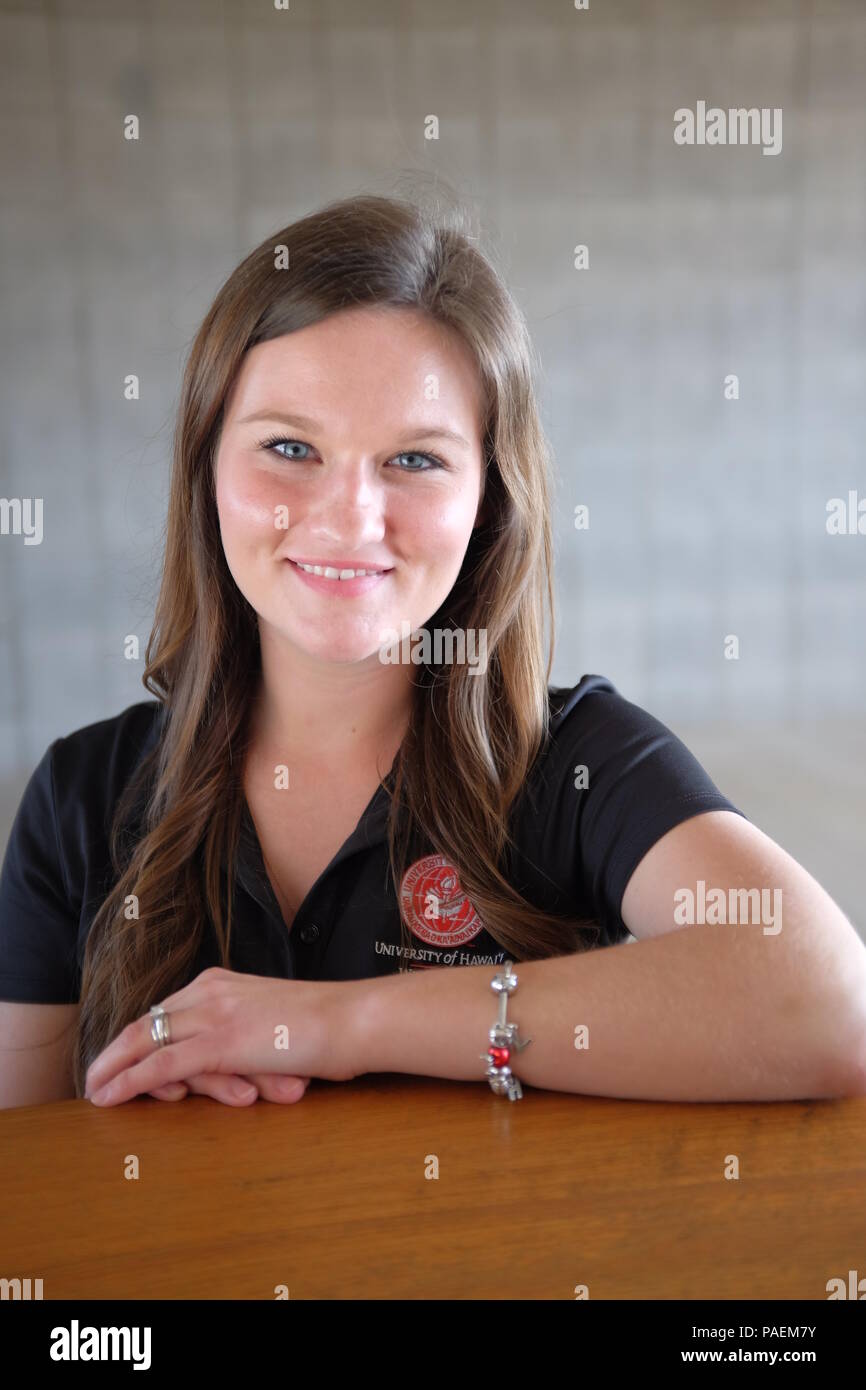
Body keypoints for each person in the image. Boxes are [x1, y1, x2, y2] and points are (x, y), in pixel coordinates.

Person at [1, 192, 865, 1111]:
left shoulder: (575, 763)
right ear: (206, 464)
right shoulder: (82, 797)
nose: (349, 519)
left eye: (415, 461)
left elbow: (826, 1004)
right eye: (290, 446)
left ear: (490, 499)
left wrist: (339, 1024)